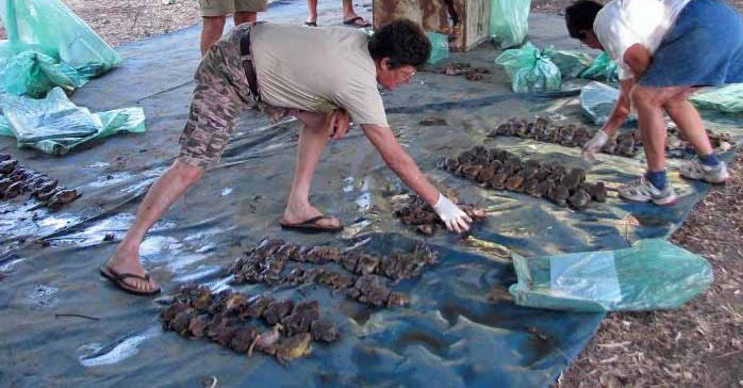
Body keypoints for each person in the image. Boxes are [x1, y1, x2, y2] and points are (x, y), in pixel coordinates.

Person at [99, 19, 475, 295]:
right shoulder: (358, 82)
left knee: (321, 121)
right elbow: (395, 157)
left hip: (261, 56)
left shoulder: (362, 42)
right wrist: (440, 204)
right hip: (231, 70)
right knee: (192, 166)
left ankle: (297, 207)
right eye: (405, 74)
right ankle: (126, 252)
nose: (407, 82)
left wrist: (340, 108)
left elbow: (327, 75)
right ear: (385, 64)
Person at [565, 0, 743, 205]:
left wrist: (651, 110)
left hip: (702, 24)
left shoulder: (605, 23)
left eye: (585, 43)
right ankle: (712, 167)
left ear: (585, 33)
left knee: (646, 97)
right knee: (673, 100)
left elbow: (643, 71)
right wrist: (603, 135)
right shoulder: (625, 27)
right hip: (730, 23)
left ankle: (657, 185)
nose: (592, 48)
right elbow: (626, 101)